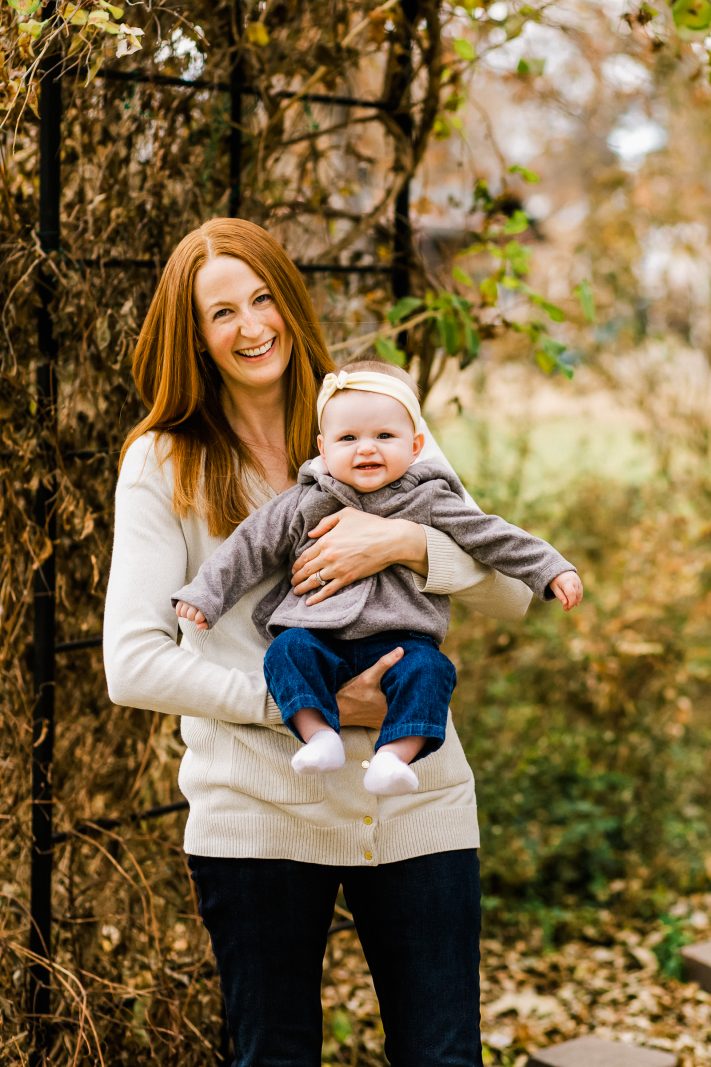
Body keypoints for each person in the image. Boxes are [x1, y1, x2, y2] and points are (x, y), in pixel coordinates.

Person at [103, 216, 535, 1067]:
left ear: (293, 303)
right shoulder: (163, 462)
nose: (252, 326)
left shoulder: (369, 418)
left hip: (417, 802)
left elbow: (515, 591)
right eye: (221, 312)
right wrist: (296, 705)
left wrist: (406, 544)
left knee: (443, 1055)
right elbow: (133, 662)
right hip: (258, 811)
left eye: (264, 298)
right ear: (192, 334)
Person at [172, 363, 582, 796]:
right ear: (323, 449)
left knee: (432, 670)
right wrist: (206, 595)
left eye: (384, 437)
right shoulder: (306, 501)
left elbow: (492, 535)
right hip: (317, 633)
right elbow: (247, 547)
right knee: (285, 654)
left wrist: (550, 567)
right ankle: (318, 736)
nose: (366, 449)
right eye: (348, 438)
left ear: (416, 445)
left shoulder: (429, 498)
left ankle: (394, 756)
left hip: (402, 639)